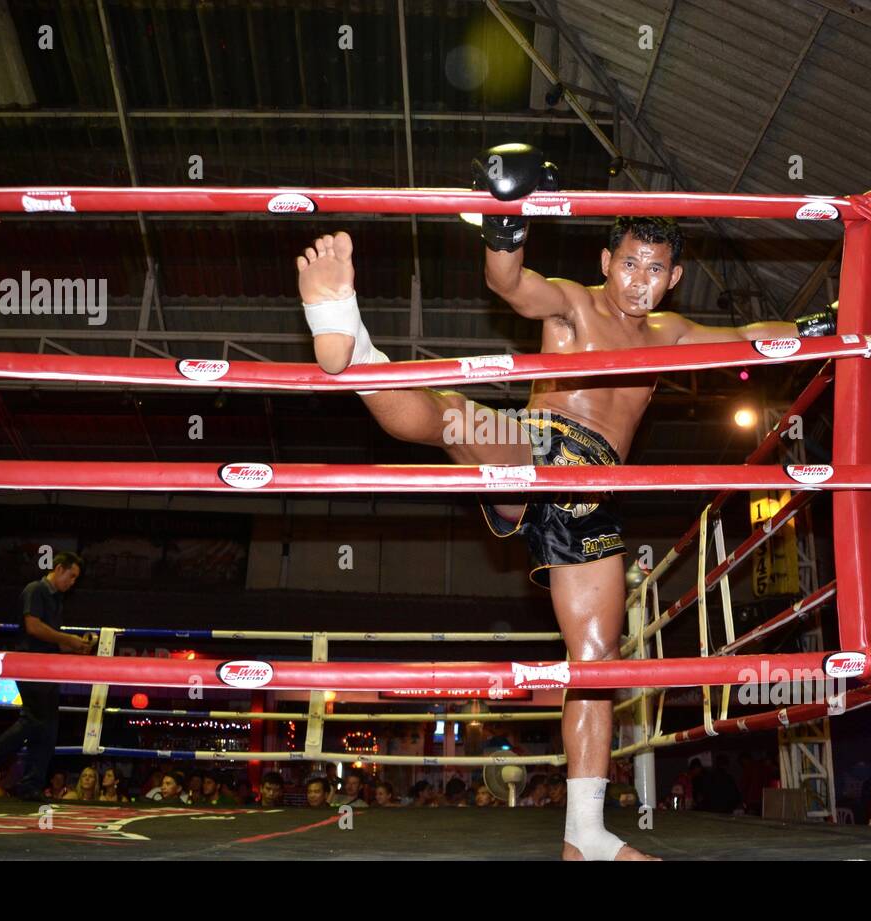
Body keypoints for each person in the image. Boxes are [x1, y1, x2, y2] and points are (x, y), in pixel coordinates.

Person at [295, 145, 832, 859]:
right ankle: (354, 346)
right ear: (608, 262)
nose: (638, 280)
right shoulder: (574, 304)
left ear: (673, 278)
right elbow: (510, 285)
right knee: (458, 414)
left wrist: (825, 327)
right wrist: (505, 224)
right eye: (629, 262)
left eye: (654, 269)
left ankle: (585, 835)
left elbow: (745, 338)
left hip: (595, 498)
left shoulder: (669, 335)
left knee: (595, 660)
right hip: (540, 448)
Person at [0, 553, 94, 802]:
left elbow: (51, 639)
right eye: (71, 576)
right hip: (30, 665)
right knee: (35, 720)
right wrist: (66, 639)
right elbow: (34, 627)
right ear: (59, 568)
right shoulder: (36, 589)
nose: (72, 582)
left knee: (48, 729)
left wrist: (77, 645)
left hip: (48, 667)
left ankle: (30, 784)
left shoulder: (57, 599)